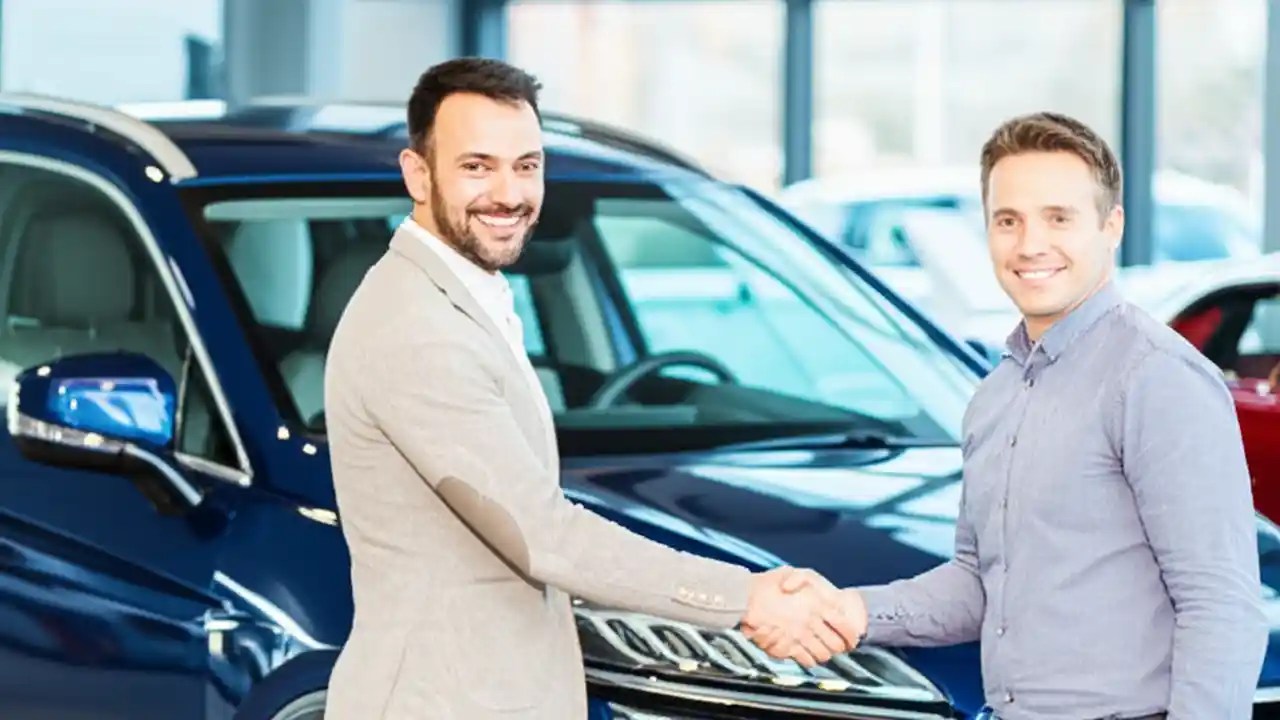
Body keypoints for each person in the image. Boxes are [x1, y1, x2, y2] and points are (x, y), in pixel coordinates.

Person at [320, 57, 861, 720]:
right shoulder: (416, 329)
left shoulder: (468, 297)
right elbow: (545, 535)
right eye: (477, 166)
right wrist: (746, 597)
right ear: (418, 174)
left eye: (527, 165)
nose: (508, 193)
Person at [754, 111, 1269, 719]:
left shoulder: (1157, 379)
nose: (1030, 245)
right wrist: (853, 612)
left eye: (1058, 218)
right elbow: (978, 584)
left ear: (1112, 227)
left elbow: (1222, 605)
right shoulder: (996, 395)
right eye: (1008, 221)